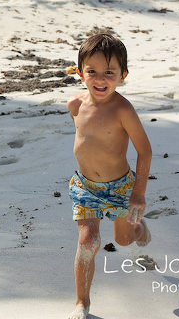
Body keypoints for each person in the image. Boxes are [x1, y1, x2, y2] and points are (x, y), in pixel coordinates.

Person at [66, 31, 152, 319]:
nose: (100, 79)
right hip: (85, 187)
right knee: (87, 242)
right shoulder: (75, 105)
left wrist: (138, 194)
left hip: (120, 189)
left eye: (109, 72)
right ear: (80, 73)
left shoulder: (123, 110)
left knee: (125, 240)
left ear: (123, 75)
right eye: (92, 71)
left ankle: (139, 229)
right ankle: (82, 304)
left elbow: (145, 151)